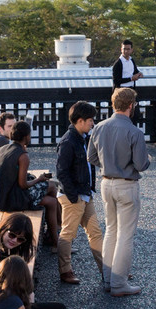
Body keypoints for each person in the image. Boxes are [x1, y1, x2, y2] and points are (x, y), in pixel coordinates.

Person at [89, 87, 150, 296]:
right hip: (126, 184)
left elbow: (91, 157)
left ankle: (108, 279)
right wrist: (148, 160)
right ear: (131, 106)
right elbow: (141, 164)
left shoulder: (99, 127)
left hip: (106, 182)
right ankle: (119, 283)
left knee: (111, 231)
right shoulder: (134, 132)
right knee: (126, 234)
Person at [53, 101, 104, 286]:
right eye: (90, 120)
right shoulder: (68, 141)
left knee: (95, 232)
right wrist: (73, 196)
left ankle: (107, 270)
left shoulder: (80, 137)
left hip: (84, 193)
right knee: (68, 233)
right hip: (74, 196)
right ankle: (65, 271)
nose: (92, 123)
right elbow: (62, 172)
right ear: (80, 120)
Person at [0, 121, 61, 244]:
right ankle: (57, 234)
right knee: (52, 186)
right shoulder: (23, 156)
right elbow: (23, 185)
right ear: (26, 136)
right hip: (12, 200)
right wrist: (39, 178)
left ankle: (54, 237)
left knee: (52, 201)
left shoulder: (3, 148)